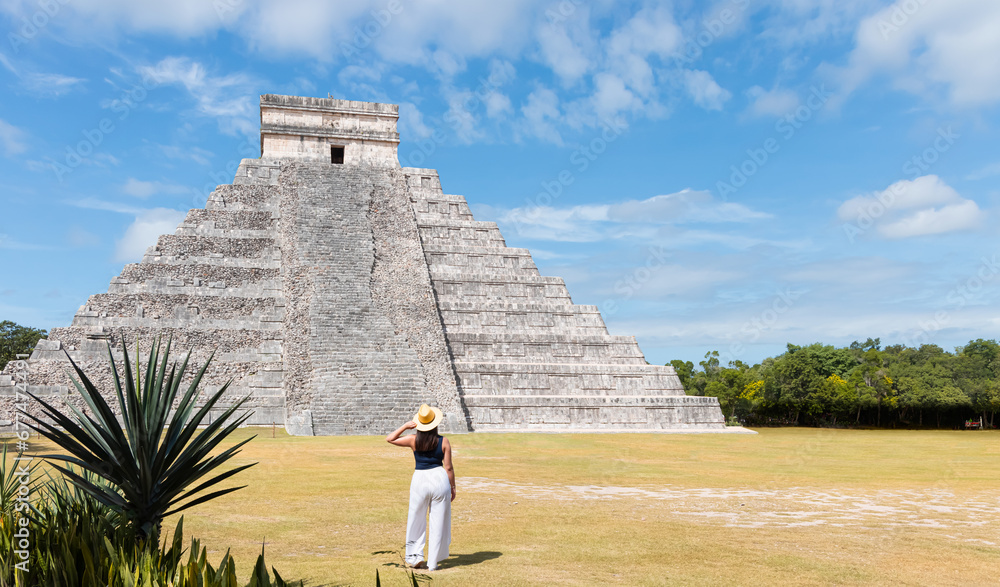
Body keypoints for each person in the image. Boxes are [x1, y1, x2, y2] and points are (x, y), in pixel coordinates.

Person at [386, 404, 455, 571]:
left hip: (420, 479)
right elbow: (449, 468)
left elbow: (390, 438)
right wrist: (453, 487)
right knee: (439, 520)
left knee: (416, 518)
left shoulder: (413, 439)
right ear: (435, 424)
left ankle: (415, 556)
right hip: (439, 478)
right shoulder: (443, 441)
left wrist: (405, 426)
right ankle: (433, 561)